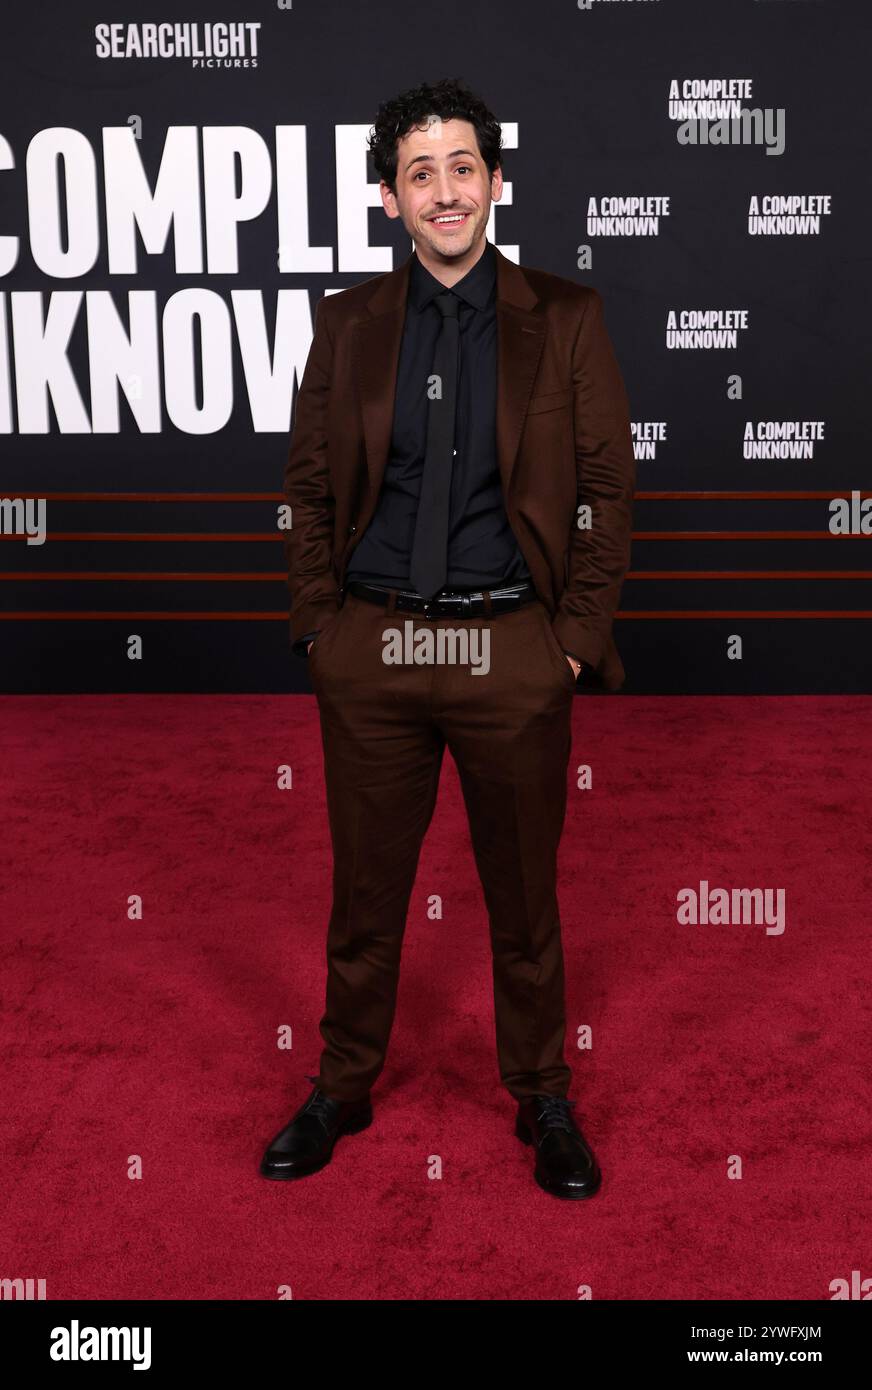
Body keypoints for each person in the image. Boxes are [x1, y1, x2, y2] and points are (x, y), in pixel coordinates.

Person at [261, 77, 635, 1198]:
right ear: (389, 197)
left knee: (524, 899)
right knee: (364, 895)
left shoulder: (564, 318)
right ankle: (340, 1083)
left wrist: (568, 641)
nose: (443, 191)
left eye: (461, 167)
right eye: (418, 173)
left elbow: (607, 490)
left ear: (495, 182)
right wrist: (319, 629)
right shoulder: (347, 324)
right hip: (371, 653)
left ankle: (542, 1095)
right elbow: (312, 485)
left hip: (509, 653)